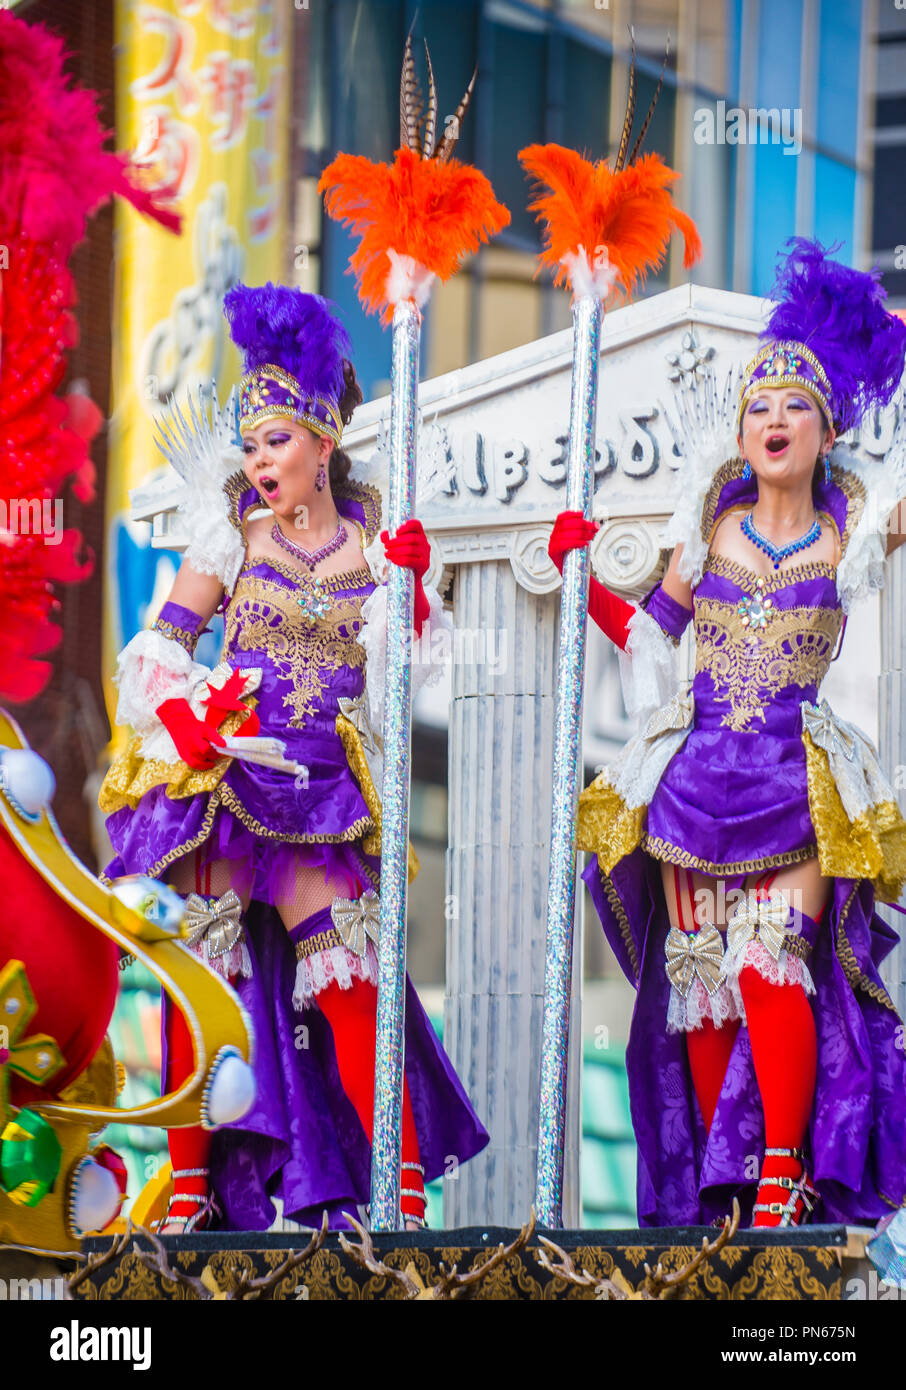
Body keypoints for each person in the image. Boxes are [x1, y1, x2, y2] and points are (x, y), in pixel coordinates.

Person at [100, 284, 488, 1231]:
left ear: (322, 443)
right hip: (233, 780)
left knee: (350, 981)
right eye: (249, 443)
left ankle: (393, 1186)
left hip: (323, 796)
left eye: (275, 440)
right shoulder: (230, 529)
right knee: (210, 982)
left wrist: (413, 589)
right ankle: (191, 1188)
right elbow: (160, 647)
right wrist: (189, 717)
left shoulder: (379, 541)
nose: (258, 460)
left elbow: (416, 675)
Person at [549, 239, 906, 1228]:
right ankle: (724, 1189)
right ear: (739, 433)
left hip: (799, 783)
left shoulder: (859, 527)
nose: (774, 419)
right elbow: (651, 636)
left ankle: (788, 1176)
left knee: (770, 963)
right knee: (700, 984)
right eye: (758, 407)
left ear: (827, 429)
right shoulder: (701, 527)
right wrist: (582, 583)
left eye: (795, 405)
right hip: (692, 783)